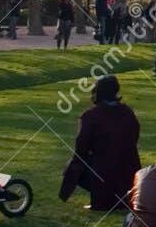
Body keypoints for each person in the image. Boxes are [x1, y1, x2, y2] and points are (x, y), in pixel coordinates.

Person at [58, 75, 142, 213]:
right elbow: (135, 135)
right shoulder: (128, 112)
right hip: (129, 169)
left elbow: (81, 147)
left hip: (104, 168)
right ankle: (120, 198)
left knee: (74, 167)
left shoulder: (91, 116)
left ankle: (102, 198)